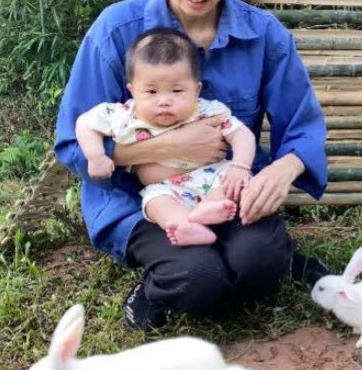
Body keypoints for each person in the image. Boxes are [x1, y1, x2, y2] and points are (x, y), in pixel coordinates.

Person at [55, 0, 329, 332]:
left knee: (259, 261)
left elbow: (303, 125)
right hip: (144, 202)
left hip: (227, 190)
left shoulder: (264, 35)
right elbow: (72, 142)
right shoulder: (115, 31)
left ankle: (271, 254)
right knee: (198, 280)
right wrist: (170, 148)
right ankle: (158, 278)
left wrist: (281, 170)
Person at [75, 29, 259, 247]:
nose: (164, 101)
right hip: (166, 188)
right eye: (151, 92)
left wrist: (240, 165)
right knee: (155, 202)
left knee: (234, 182)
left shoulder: (208, 111)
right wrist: (96, 155)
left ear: (196, 89)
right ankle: (186, 226)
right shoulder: (123, 116)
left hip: (212, 176)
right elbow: (84, 123)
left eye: (177, 90)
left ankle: (208, 209)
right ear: (133, 91)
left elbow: (241, 134)